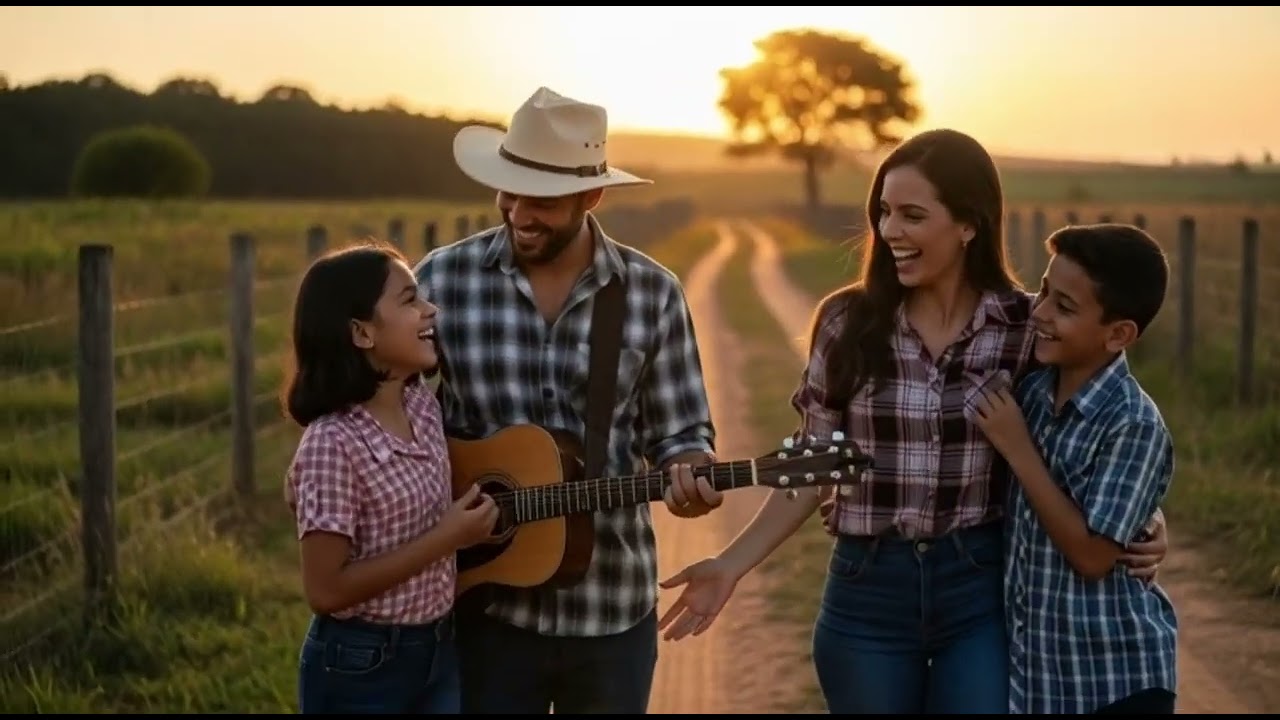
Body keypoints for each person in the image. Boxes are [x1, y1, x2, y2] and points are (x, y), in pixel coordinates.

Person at [656, 128, 1169, 714]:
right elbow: (812, 469)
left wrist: (1146, 518)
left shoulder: (1024, 328)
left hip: (980, 590)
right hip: (866, 590)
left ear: (968, 224)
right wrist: (730, 565)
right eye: (883, 212)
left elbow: (1089, 432)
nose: (889, 230)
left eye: (912, 215)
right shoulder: (845, 321)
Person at [413, 86, 722, 714]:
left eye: (543, 199)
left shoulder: (652, 294)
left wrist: (691, 472)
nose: (520, 212)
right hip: (480, 605)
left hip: (610, 610)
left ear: (592, 196)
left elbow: (681, 434)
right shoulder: (441, 281)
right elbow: (384, 414)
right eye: (509, 190)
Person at [282, 241, 501, 714]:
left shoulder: (420, 404)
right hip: (362, 664)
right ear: (362, 333)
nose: (431, 310)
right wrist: (447, 538)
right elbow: (325, 591)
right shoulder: (332, 443)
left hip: (438, 648)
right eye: (410, 301)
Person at [972, 222, 1179, 714]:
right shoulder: (1033, 393)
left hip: (1115, 680)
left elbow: (1092, 557)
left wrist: (1019, 450)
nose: (1039, 313)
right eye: (1043, 291)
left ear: (1119, 334)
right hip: (1044, 680)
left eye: (1063, 307)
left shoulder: (1132, 423)